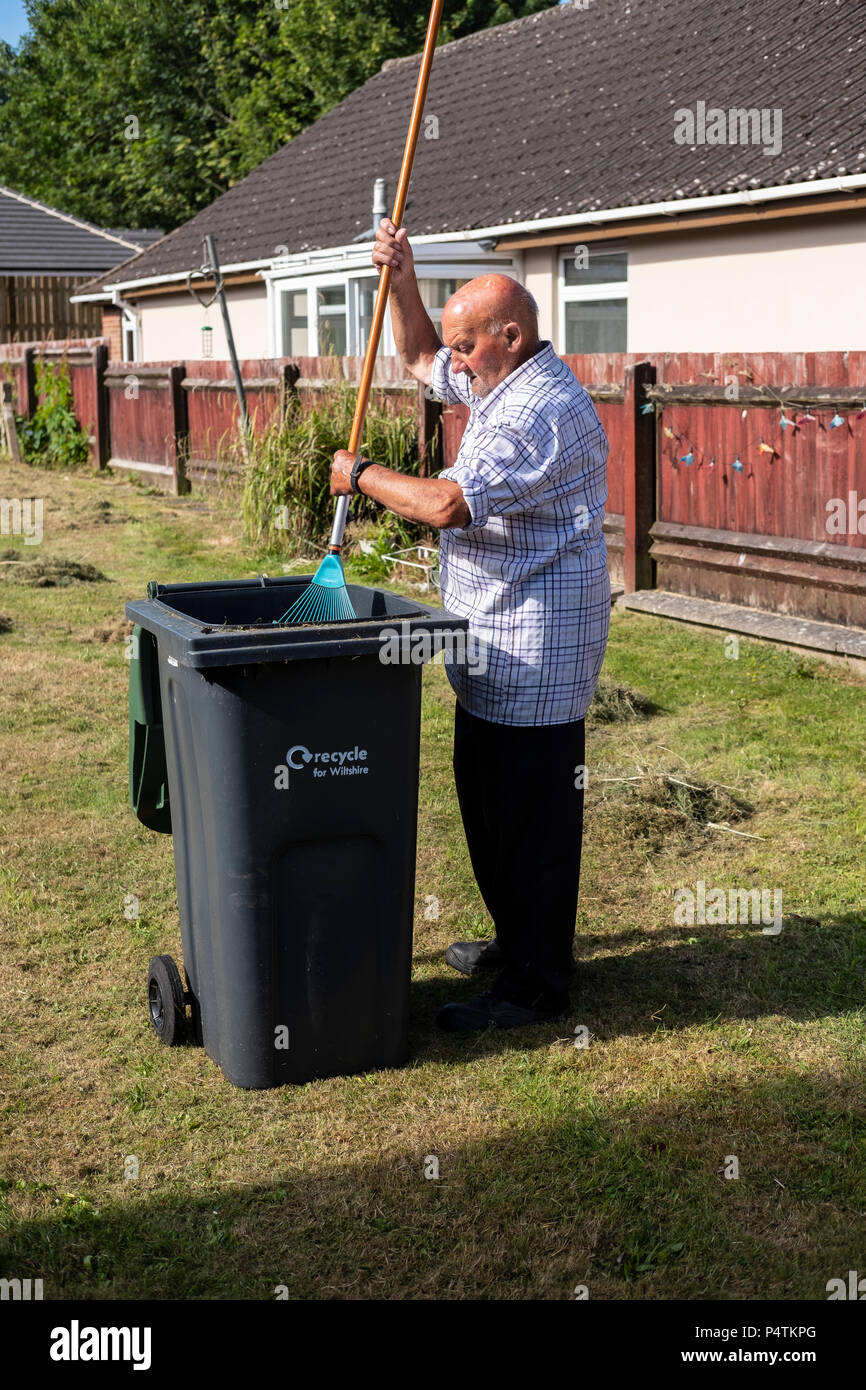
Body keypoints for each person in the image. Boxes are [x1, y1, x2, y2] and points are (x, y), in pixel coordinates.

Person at [330, 218, 610, 1032]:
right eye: (456, 345)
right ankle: (517, 943)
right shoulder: (498, 381)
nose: (452, 360)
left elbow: (448, 505)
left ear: (509, 336)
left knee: (529, 822)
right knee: (490, 810)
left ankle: (536, 986)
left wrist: (362, 475)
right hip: (494, 640)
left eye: (466, 345)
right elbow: (419, 359)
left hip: (535, 646)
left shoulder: (538, 412)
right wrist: (404, 276)